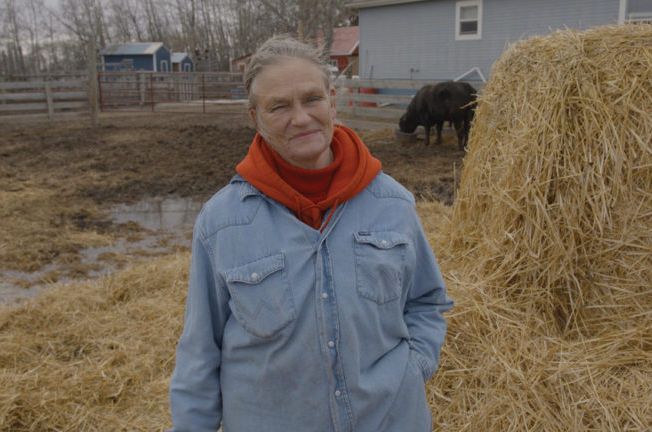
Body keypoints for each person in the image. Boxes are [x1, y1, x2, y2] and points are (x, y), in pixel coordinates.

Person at [168, 35, 453, 432]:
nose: (300, 118)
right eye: (279, 106)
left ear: (333, 101)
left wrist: (412, 369)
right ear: (255, 118)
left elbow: (426, 301)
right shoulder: (222, 223)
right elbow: (200, 351)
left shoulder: (393, 203)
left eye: (312, 99)